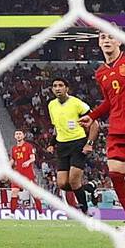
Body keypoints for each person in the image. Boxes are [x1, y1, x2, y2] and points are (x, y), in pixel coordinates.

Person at [79, 32, 125, 219]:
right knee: (115, 174)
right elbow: (109, 101)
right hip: (117, 130)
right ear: (99, 43)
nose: (107, 40)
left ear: (120, 41)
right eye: (102, 38)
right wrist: (92, 116)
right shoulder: (100, 73)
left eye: (111, 37)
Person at [46, 77, 96, 213]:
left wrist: (89, 143)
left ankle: (84, 210)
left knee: (74, 180)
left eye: (61, 85)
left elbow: (95, 123)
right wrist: (52, 143)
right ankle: (89, 188)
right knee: (62, 183)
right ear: (52, 89)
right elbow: (56, 127)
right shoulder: (51, 105)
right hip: (62, 146)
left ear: (66, 88)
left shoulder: (77, 103)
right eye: (55, 86)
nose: (57, 88)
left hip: (78, 143)